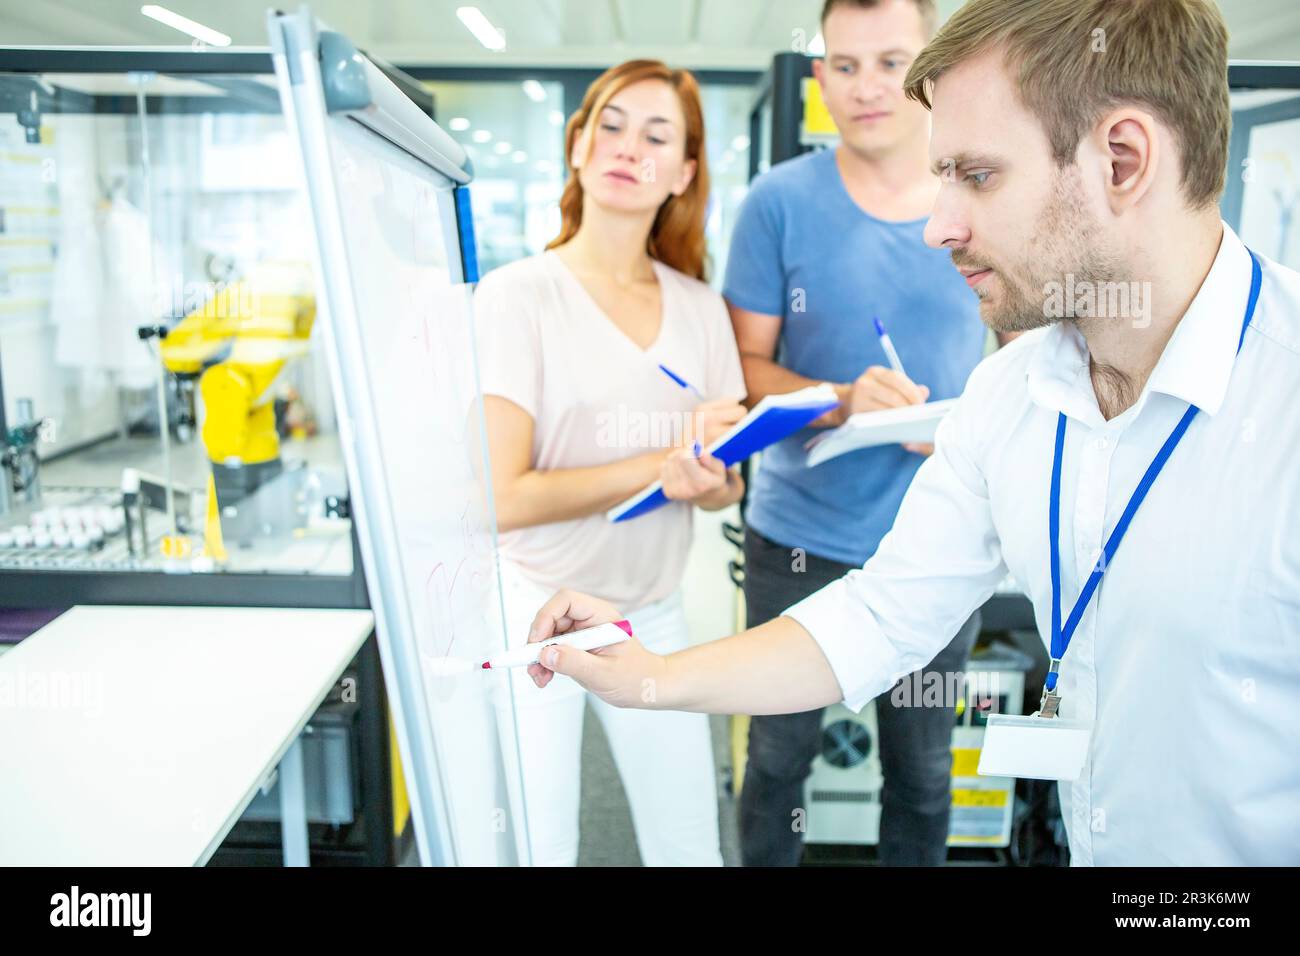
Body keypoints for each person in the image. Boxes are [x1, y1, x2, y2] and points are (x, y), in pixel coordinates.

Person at [520, 0, 1300, 865]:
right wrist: (652, 675)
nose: (938, 227)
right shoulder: (1010, 394)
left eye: (978, 176)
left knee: (920, 777)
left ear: (1120, 160)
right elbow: (881, 616)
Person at [723, 0, 986, 866]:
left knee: (921, 775)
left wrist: (960, 423)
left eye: (890, 62)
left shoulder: (982, 197)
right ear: (820, 76)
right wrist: (841, 398)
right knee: (775, 759)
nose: (867, 86)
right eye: (845, 65)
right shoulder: (778, 203)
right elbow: (745, 372)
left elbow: (1032, 361)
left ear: (932, 71)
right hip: (795, 542)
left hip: (936, 544)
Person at [473, 59, 748, 866]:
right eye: (614, 124)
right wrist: (659, 465)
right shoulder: (517, 296)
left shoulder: (701, 308)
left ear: (684, 171)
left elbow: (719, 488)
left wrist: (713, 477)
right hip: (536, 611)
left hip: (650, 610)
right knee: (542, 846)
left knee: (690, 847)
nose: (631, 146)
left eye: (657, 135)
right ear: (578, 144)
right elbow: (502, 497)